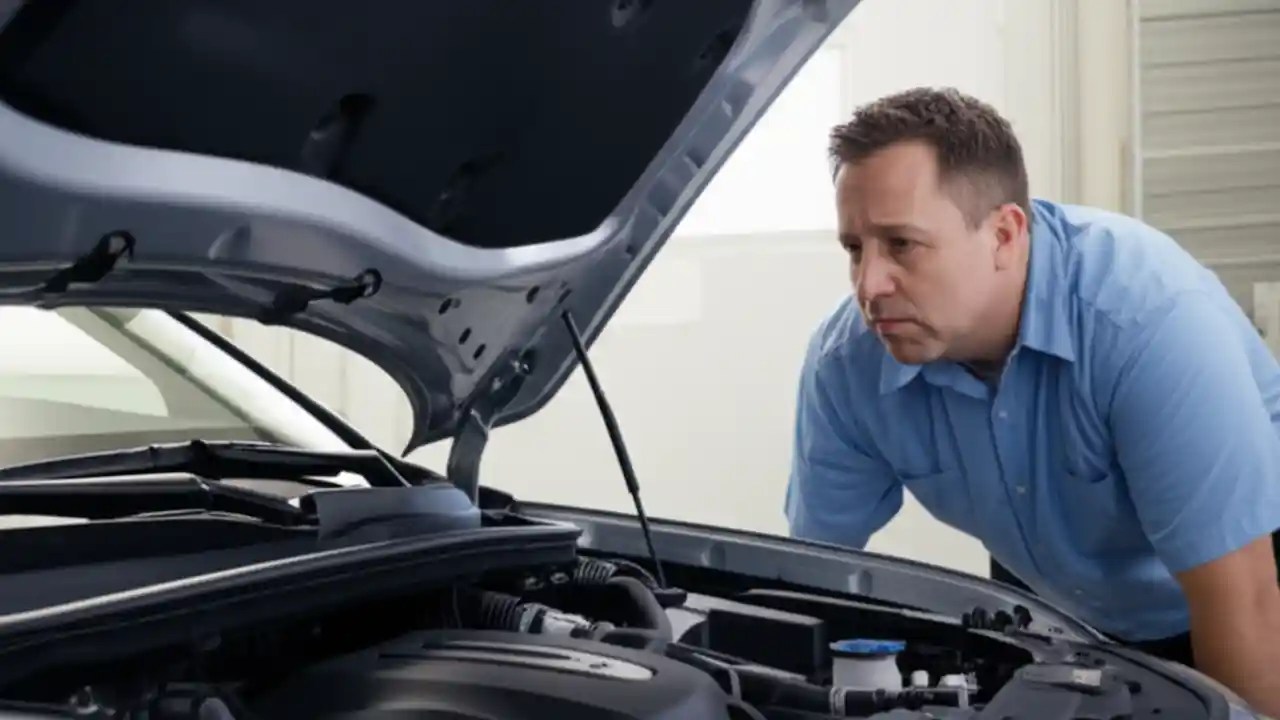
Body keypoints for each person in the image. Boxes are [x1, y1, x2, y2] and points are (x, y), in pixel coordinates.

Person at [783, 86, 1280, 714]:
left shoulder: (1146, 324)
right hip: (1057, 604)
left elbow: (1245, 604)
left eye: (901, 244)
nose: (869, 284)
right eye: (855, 249)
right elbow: (814, 579)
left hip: (1244, 590)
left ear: (1004, 234)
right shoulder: (847, 362)